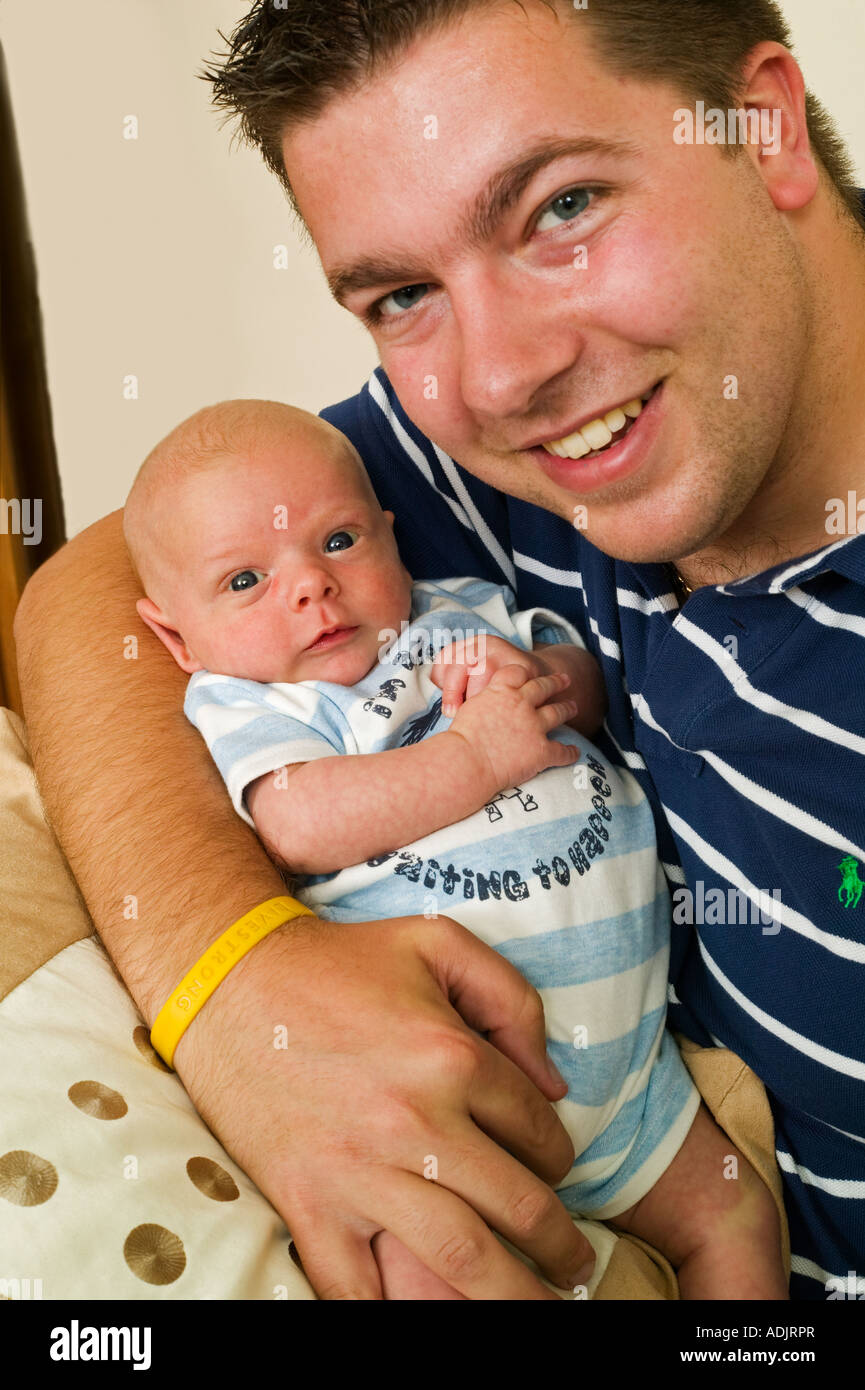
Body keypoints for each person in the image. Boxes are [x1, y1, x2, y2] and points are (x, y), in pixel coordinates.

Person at [14, 0, 865, 1300]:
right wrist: (238, 986)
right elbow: (94, 587)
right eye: (404, 294)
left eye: (561, 211)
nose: (500, 378)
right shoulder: (466, 487)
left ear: (764, 132)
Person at [121, 397, 787, 1299]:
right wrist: (472, 753)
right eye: (244, 582)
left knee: (736, 1218)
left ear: (392, 536)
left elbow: (589, 690)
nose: (311, 586)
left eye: (340, 541)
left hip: (634, 1082)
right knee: (418, 1268)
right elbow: (300, 821)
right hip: (440, 1109)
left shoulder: (467, 613)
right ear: (173, 634)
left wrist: (540, 679)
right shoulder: (254, 702)